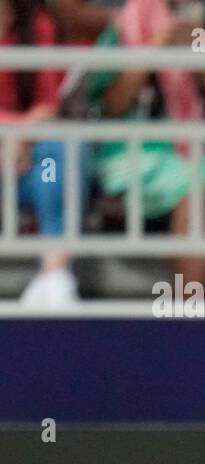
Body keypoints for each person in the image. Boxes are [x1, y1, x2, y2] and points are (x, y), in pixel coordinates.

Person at [86, 0, 205, 287]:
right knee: (194, 193)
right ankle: (189, 319)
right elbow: (110, 106)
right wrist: (153, 51)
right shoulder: (126, 24)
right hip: (136, 150)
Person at [1, 0, 79, 304]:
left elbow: (49, 105)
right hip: (10, 141)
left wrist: (20, 137)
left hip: (26, 159)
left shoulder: (38, 24)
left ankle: (54, 273)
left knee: (56, 158)